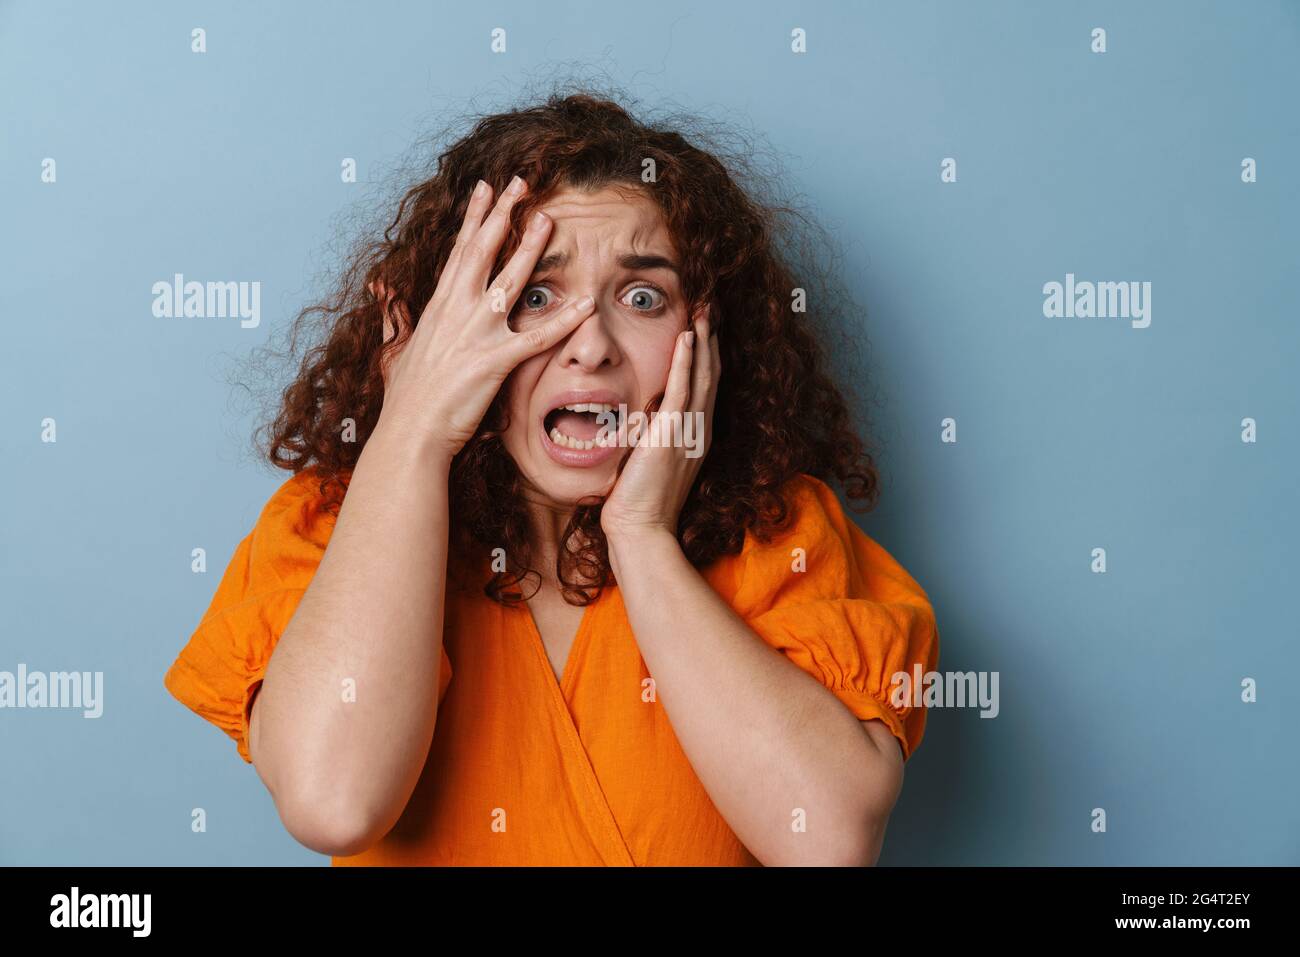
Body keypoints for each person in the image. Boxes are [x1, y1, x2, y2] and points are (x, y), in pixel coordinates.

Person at [163, 92, 940, 866]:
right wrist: (415, 427)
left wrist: (641, 537)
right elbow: (332, 803)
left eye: (643, 296)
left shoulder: (781, 535)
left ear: (704, 334)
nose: (591, 345)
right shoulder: (330, 531)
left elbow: (829, 841)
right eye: (535, 293)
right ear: (441, 327)